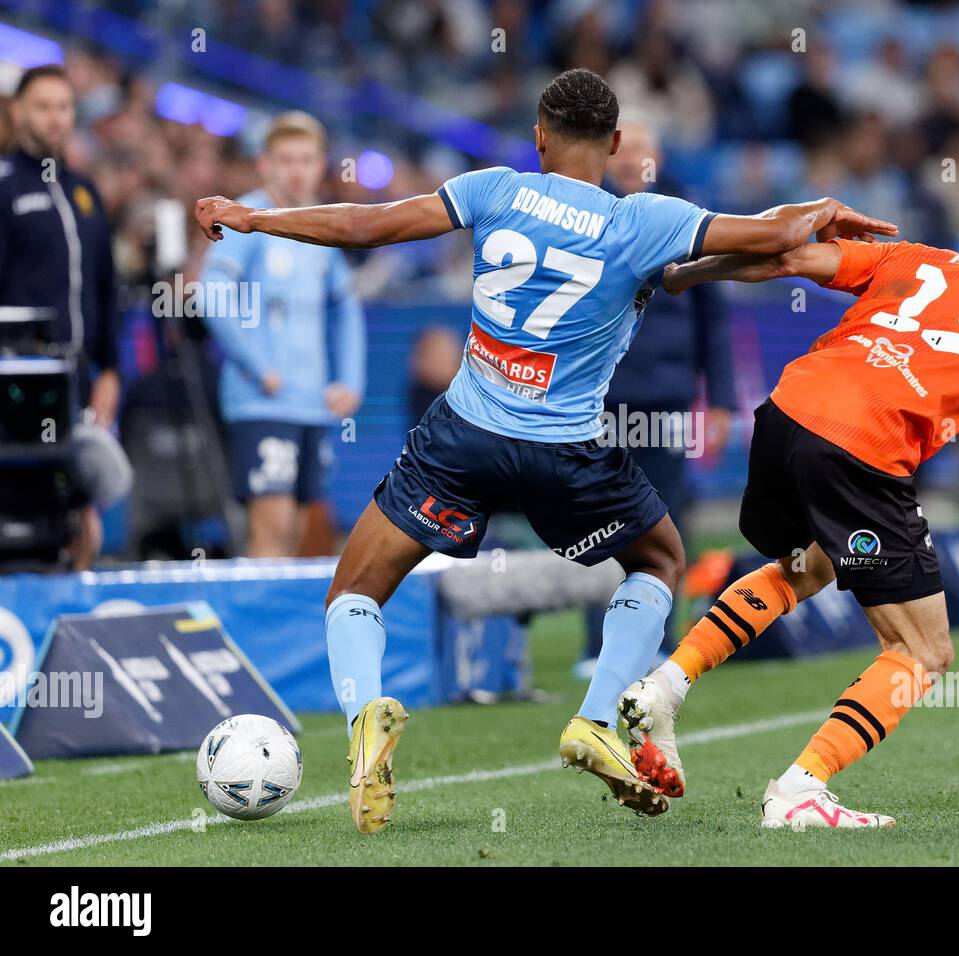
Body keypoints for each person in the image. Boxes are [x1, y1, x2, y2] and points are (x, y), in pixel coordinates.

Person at [195, 67, 896, 833]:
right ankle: (594, 720)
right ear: (618, 141)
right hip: (565, 450)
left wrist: (258, 219)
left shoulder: (494, 188)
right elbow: (769, 235)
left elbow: (370, 226)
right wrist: (820, 210)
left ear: (538, 137)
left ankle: (366, 717)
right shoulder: (643, 220)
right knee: (661, 560)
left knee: (354, 592)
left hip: (461, 436)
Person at [619, 238, 959, 829]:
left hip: (787, 410)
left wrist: (687, 274)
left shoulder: (922, 258)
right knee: (923, 651)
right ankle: (798, 791)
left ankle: (665, 686)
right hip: (864, 446)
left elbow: (787, 258)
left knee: (809, 565)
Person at [574, 118, 736, 679]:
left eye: (643, 147)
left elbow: (715, 319)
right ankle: (596, 645)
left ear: (657, 156)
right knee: (596, 515)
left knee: (667, 516)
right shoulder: (586, 213)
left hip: (667, 400)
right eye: (624, 148)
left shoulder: (687, 219)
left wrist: (720, 400)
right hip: (599, 398)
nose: (632, 158)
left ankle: (662, 637)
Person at [198, 111, 365, 558]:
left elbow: (346, 306)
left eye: (306, 159)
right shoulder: (246, 219)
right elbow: (210, 294)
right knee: (270, 534)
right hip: (263, 402)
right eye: (286, 159)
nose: (296, 170)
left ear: (320, 165)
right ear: (265, 165)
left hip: (311, 405)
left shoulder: (317, 225)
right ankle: (255, 627)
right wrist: (260, 367)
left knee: (296, 534)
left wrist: (350, 380)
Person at [0, 65, 123, 570]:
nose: (55, 118)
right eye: (43, 107)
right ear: (17, 111)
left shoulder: (86, 193)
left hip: (76, 384)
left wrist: (110, 372)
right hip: (15, 389)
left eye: (64, 107)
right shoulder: (4, 188)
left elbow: (105, 289)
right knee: (19, 512)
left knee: (80, 519)